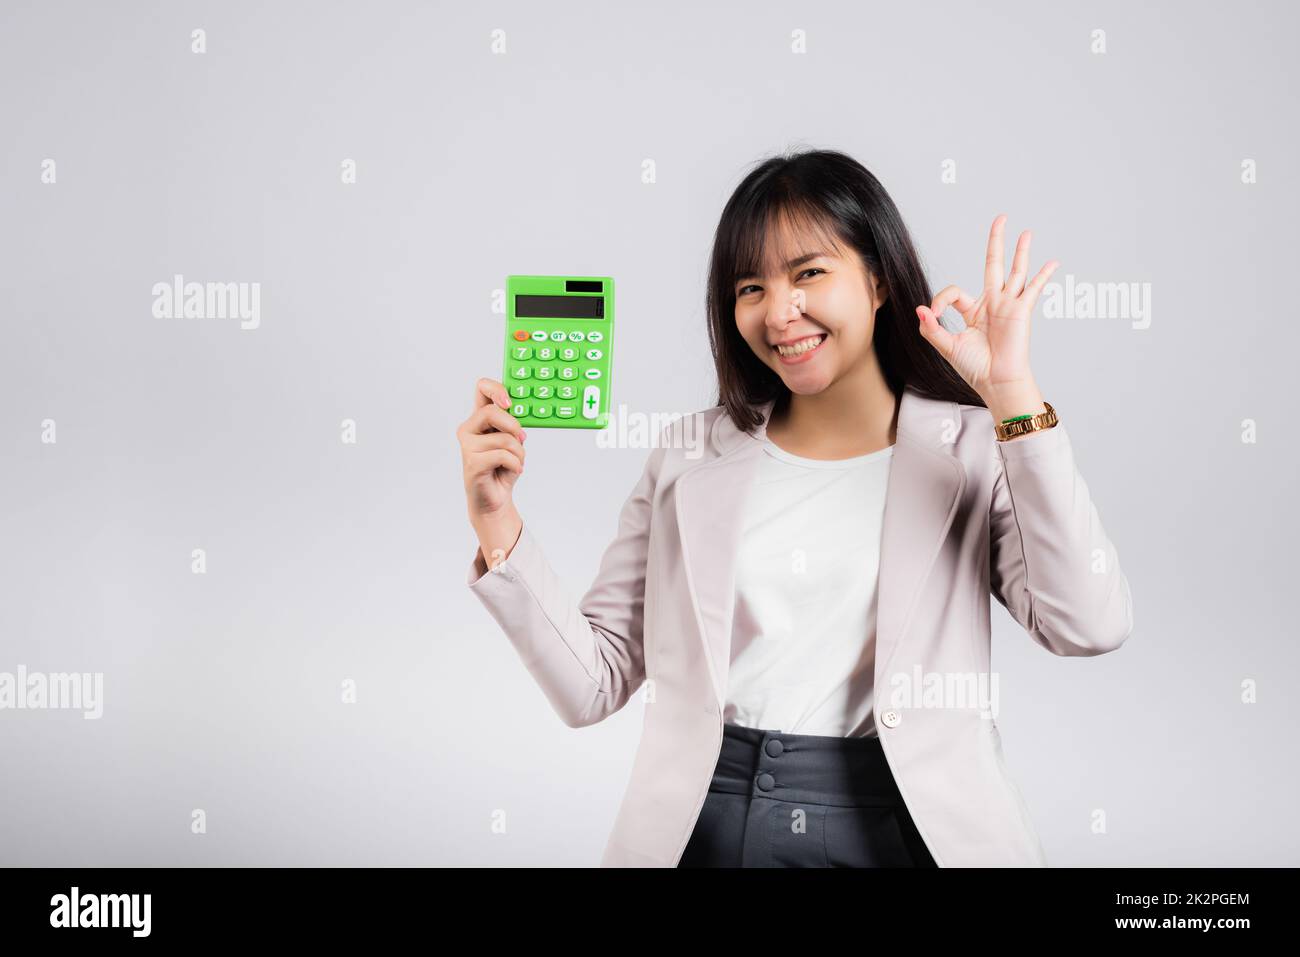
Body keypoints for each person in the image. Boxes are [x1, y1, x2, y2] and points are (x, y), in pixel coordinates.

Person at [457, 148, 1134, 867]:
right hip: (705, 823)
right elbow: (592, 683)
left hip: (903, 826)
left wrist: (1014, 398)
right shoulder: (690, 452)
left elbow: (1088, 623)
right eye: (751, 287)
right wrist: (496, 518)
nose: (780, 313)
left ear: (877, 280)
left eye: (809, 273)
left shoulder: (971, 448)